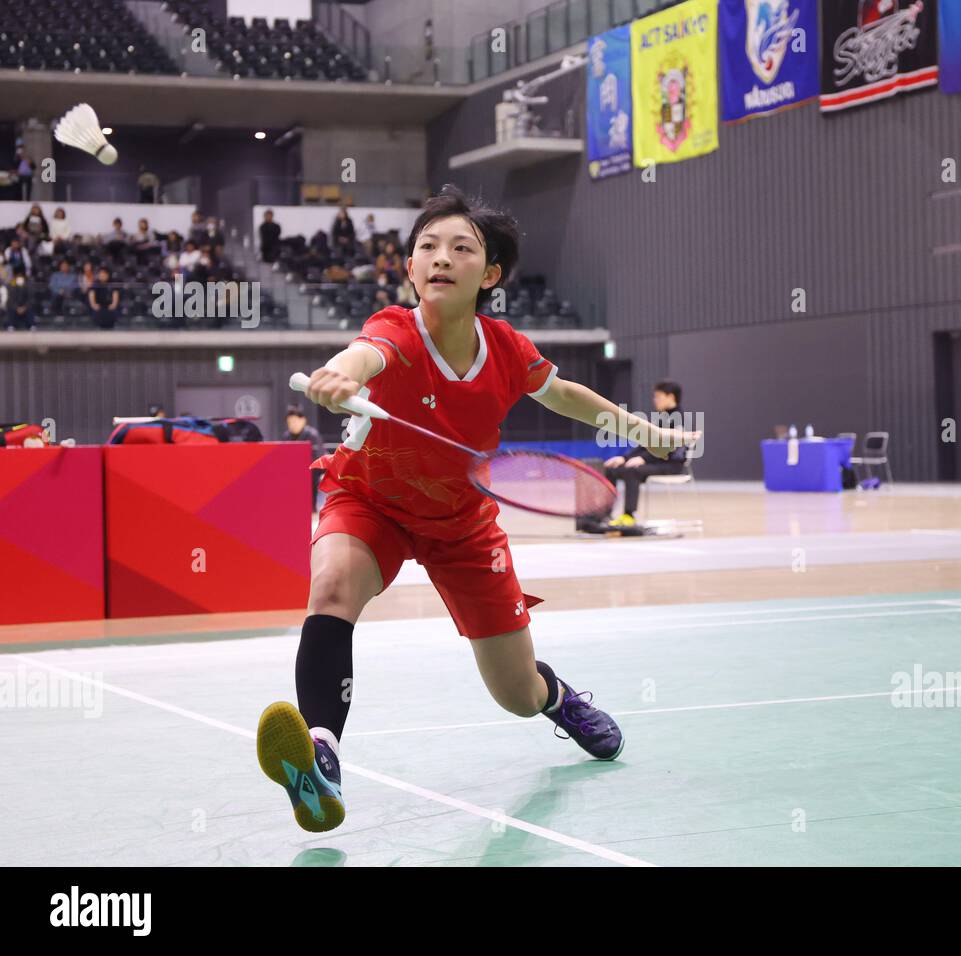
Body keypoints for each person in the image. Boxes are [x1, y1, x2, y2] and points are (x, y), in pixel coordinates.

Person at [255, 185, 695, 832]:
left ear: (488, 274)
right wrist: (340, 375)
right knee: (332, 588)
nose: (440, 257)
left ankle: (560, 700)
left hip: (462, 525)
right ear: (409, 268)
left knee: (516, 694)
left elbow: (566, 395)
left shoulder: (506, 348)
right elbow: (365, 354)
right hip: (371, 499)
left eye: (460, 248)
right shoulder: (395, 329)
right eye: (426, 247)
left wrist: (643, 430)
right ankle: (321, 756)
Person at [584, 380, 688, 530]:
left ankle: (629, 516)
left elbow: (668, 448)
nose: (655, 400)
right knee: (612, 470)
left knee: (632, 471)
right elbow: (644, 444)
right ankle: (605, 514)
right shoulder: (660, 418)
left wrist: (642, 459)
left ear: (670, 397)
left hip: (672, 465)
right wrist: (624, 458)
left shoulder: (679, 420)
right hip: (655, 462)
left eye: (658, 397)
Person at [283, 405, 325, 512]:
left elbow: (318, 457)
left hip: (312, 474)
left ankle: (312, 510)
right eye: (290, 423)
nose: (292, 425)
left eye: (295, 422)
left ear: (303, 420)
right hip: (292, 474)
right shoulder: (286, 436)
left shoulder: (312, 435)